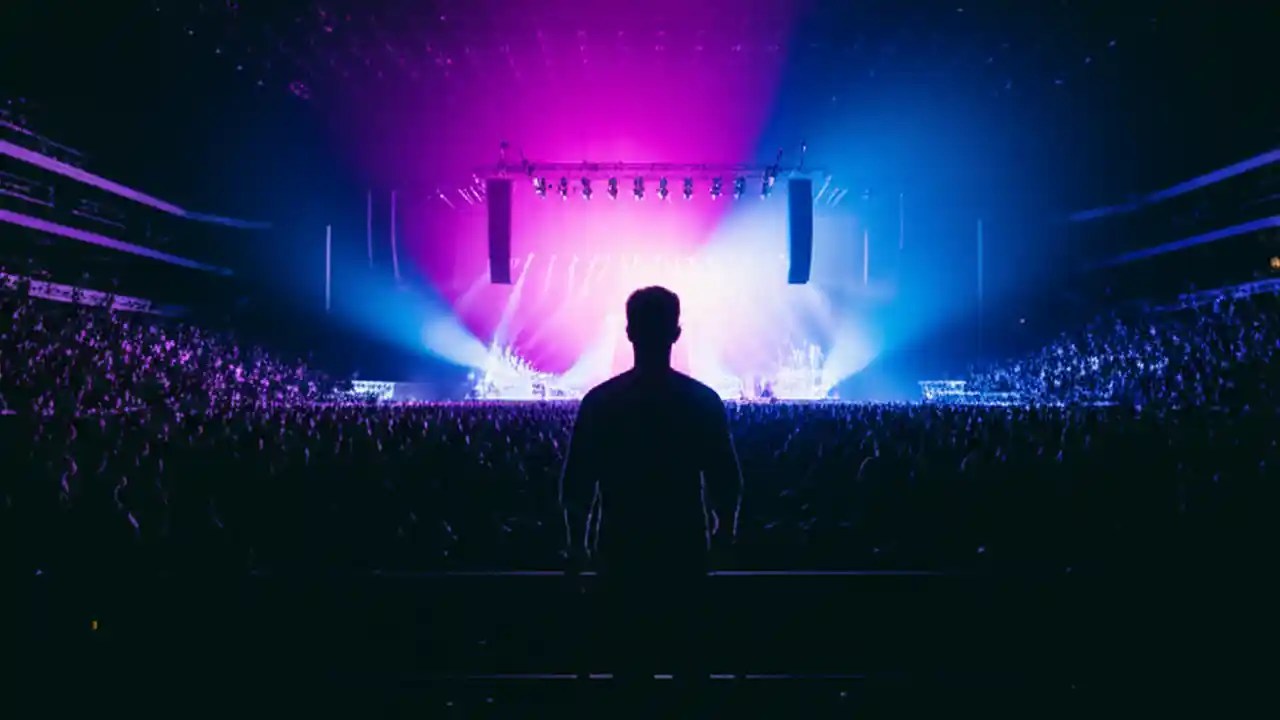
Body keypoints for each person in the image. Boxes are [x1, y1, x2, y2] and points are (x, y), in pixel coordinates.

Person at [559, 286, 744, 709]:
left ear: (629, 333)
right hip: (684, 555)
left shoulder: (601, 402)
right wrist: (725, 534)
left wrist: (576, 545)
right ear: (676, 333)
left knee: (628, 677)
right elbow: (726, 481)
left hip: (620, 555)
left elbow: (576, 486)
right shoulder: (702, 401)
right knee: (690, 676)